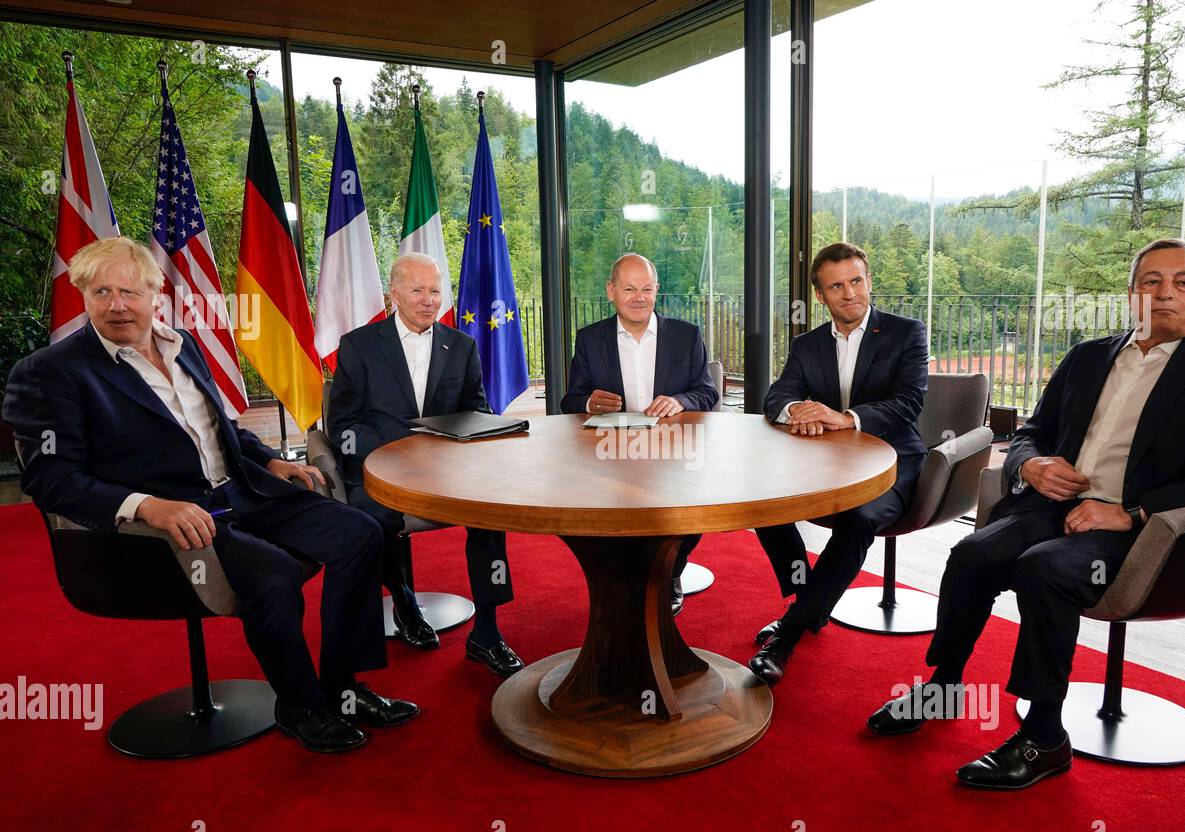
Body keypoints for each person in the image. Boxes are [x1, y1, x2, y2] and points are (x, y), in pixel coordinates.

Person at [867, 238, 1185, 789]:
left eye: (1182, 282)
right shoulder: (1089, 356)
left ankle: (1044, 737)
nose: (1165, 294)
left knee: (1045, 569)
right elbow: (1032, 432)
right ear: (1133, 293)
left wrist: (1132, 511)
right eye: (1151, 282)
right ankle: (945, 685)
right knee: (972, 553)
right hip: (1053, 503)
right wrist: (1030, 466)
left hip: (1141, 529)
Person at [3, 237, 418, 753]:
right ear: (84, 294)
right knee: (275, 574)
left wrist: (268, 458)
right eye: (101, 291)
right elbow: (49, 478)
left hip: (243, 493)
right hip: (171, 523)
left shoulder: (184, 346)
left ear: (155, 293)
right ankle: (300, 704)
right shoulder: (50, 372)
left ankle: (343, 689)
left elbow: (217, 430)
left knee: (362, 532)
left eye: (129, 291)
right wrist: (144, 505)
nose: (116, 305)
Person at [328, 253, 522, 677]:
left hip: (448, 471)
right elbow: (342, 427)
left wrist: (486, 435)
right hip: (379, 471)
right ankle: (404, 603)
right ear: (394, 293)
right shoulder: (358, 346)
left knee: (490, 513)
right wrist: (399, 450)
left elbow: (477, 410)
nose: (428, 300)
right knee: (375, 518)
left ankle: (487, 633)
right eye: (417, 290)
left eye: (435, 291)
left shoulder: (462, 347)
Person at [749, 242, 928, 685]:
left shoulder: (906, 333)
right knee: (765, 504)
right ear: (821, 295)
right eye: (836, 286)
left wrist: (844, 418)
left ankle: (789, 633)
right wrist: (799, 412)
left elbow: (909, 403)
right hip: (827, 464)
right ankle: (809, 600)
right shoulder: (806, 345)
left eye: (856, 281)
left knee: (858, 519)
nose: (850, 293)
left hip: (893, 462)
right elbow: (776, 397)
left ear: (868, 282)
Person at [561, 253, 719, 615]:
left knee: (691, 505)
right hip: (610, 455)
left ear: (657, 291)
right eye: (630, 288)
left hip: (673, 452)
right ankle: (619, 576)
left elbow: (707, 393)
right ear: (611, 291)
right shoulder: (589, 339)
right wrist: (587, 401)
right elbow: (569, 399)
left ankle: (672, 572)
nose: (639, 297)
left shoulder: (686, 335)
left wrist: (680, 400)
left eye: (647, 289)